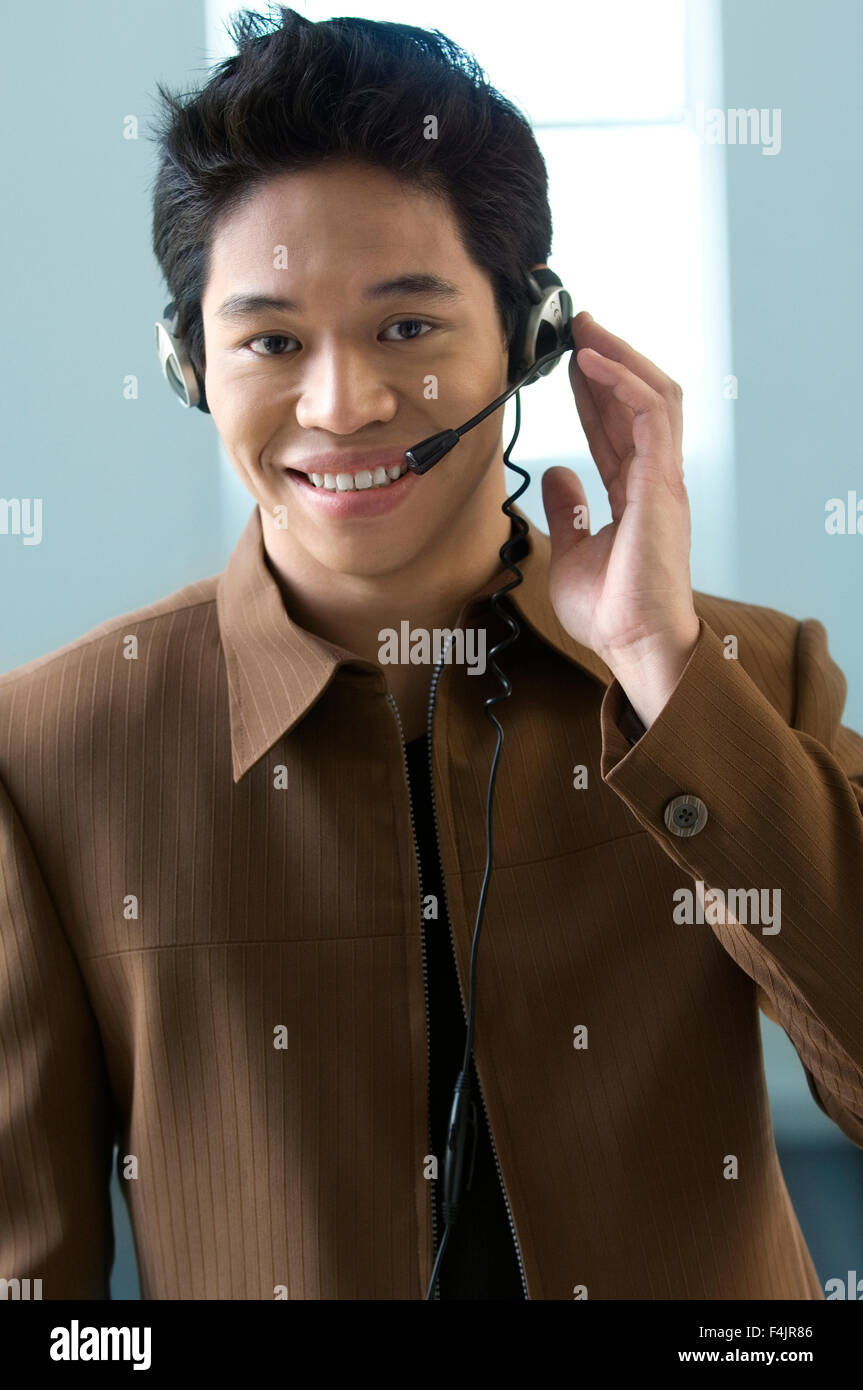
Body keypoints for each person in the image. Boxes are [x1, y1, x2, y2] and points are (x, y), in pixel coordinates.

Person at [1, 7, 862, 1301]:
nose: (341, 402)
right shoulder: (55, 749)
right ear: (191, 364)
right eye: (271, 338)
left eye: (406, 325)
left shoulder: (735, 671)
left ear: (529, 339)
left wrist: (662, 665)